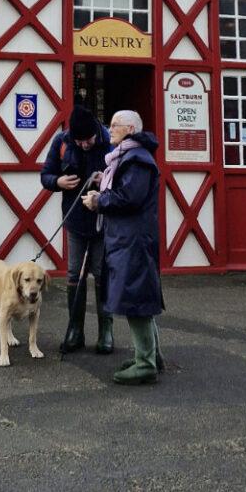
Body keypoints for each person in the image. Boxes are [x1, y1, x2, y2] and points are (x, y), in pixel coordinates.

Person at [82, 109, 164, 384]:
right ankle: (151, 356)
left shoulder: (137, 159)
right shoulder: (129, 157)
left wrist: (98, 201)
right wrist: (103, 186)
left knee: (135, 300)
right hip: (129, 238)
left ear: (130, 129)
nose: (110, 129)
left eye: (115, 125)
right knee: (138, 298)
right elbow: (125, 191)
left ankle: (146, 364)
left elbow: (129, 198)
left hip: (133, 240)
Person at [41, 106, 112, 353]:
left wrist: (105, 181)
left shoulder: (110, 142)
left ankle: (106, 333)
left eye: (88, 140)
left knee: (102, 274)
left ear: (96, 132)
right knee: (74, 274)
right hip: (75, 219)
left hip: (103, 220)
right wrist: (57, 182)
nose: (84, 145)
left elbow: (124, 179)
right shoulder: (61, 141)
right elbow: (45, 175)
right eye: (79, 141)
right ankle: (75, 331)